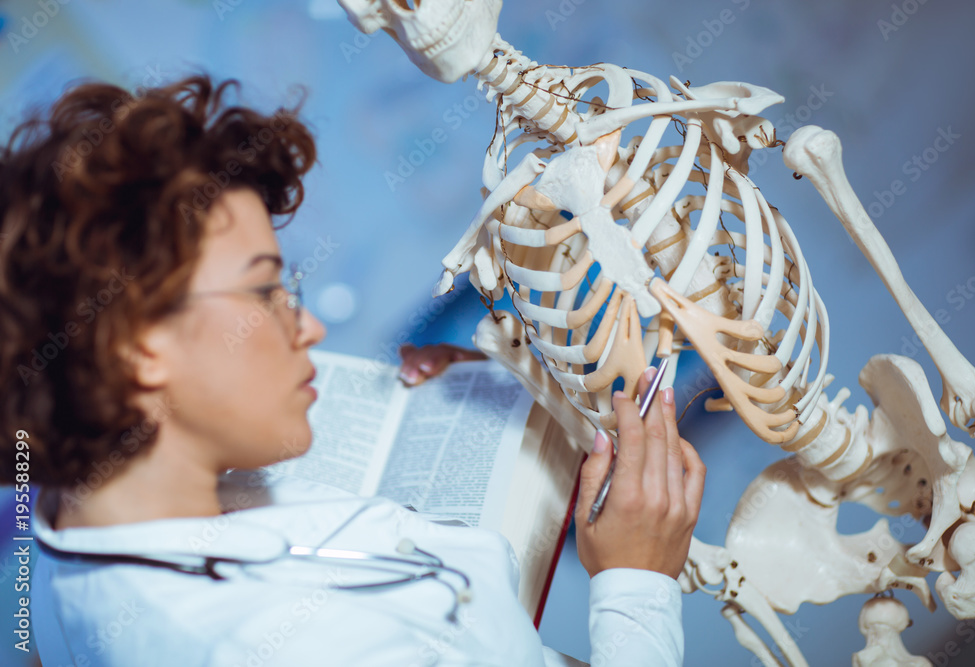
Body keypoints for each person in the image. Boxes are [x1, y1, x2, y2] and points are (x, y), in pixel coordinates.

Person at [0, 75, 706, 666]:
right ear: (139, 345)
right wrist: (636, 584)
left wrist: (460, 412)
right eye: (263, 290)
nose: (307, 326)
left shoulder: (75, 523)